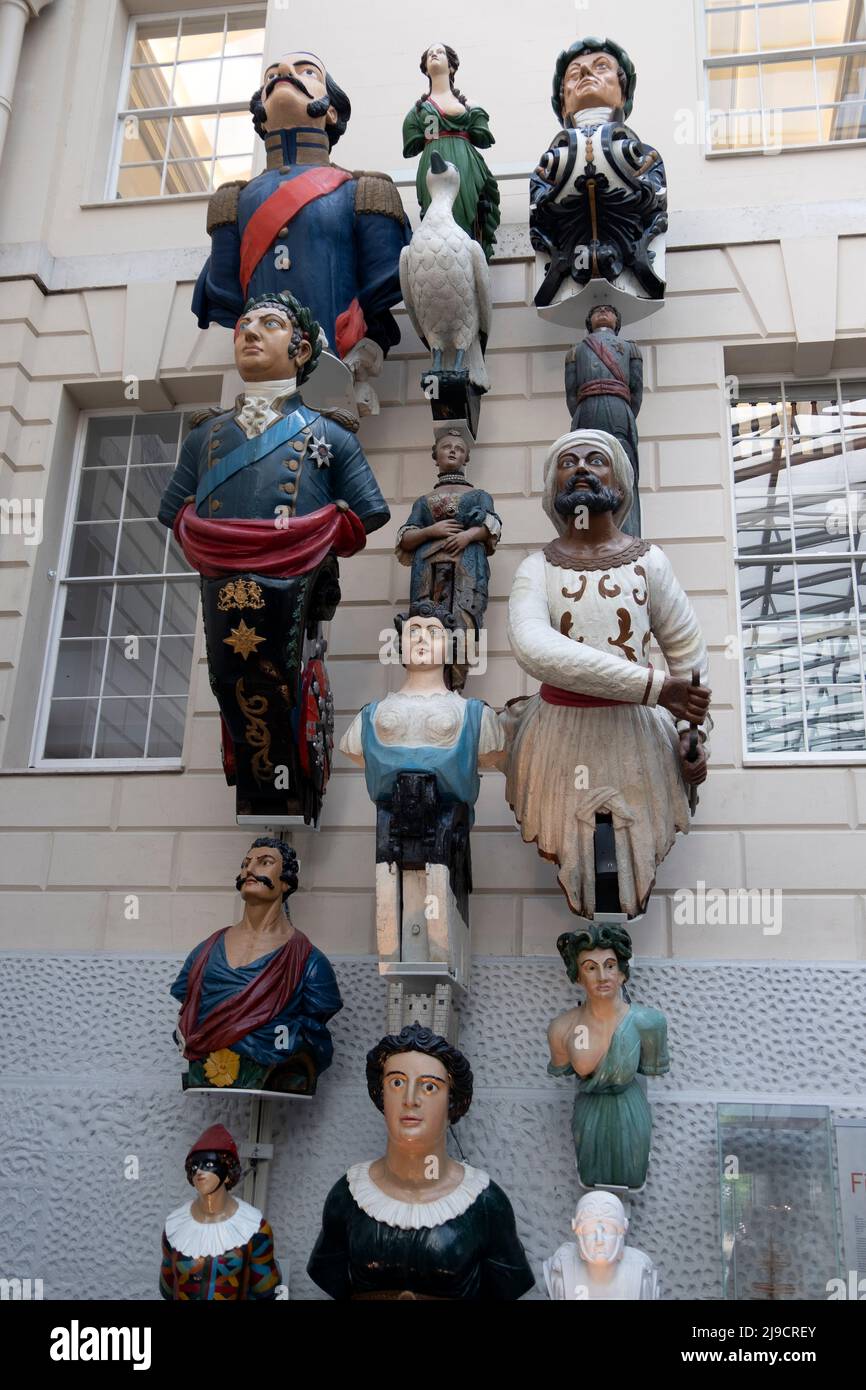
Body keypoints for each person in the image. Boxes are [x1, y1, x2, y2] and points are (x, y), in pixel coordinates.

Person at [158, 291, 389, 819]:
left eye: (270, 324)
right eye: (243, 325)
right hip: (223, 580)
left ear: (302, 348)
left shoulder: (330, 433)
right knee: (231, 678)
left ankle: (290, 776)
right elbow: (174, 509)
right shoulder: (205, 436)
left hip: (295, 581)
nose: (250, 333)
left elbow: (367, 512)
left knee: (282, 678)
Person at [501, 428, 711, 918]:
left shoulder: (649, 562)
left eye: (596, 460)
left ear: (618, 479)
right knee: (574, 851)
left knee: (629, 854)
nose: (581, 469)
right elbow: (535, 649)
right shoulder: (537, 568)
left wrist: (692, 731)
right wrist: (655, 688)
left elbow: (688, 654)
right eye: (567, 462)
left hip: (638, 735)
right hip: (558, 733)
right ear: (553, 485)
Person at [193, 50, 409, 389]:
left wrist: (367, 342)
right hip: (264, 372)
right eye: (271, 76)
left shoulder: (366, 190)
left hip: (334, 363)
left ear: (331, 111)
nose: (283, 72)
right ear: (261, 117)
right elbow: (227, 292)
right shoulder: (231, 201)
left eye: (307, 72)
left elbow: (381, 284)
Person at [307, 1024, 534, 1299]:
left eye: (429, 1087)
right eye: (397, 1083)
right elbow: (331, 1276)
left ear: (452, 1101)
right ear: (381, 1095)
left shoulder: (485, 1206)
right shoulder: (348, 1196)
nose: (410, 1100)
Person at [170, 838, 342, 1094]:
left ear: (286, 881)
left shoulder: (310, 964)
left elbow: (314, 1025)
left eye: (265, 862)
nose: (249, 870)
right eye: (246, 863)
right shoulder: (204, 953)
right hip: (207, 1069)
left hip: (276, 1074)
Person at [547, 925, 669, 1191]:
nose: (602, 976)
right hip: (589, 1117)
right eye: (591, 967)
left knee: (632, 1174)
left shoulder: (649, 1022)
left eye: (610, 965)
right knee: (590, 1177)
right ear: (577, 975)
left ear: (623, 972)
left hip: (631, 1114)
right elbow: (562, 1066)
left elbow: (652, 1066)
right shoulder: (562, 1028)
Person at [395, 430, 500, 687]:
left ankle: (455, 689)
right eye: (446, 447)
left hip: (466, 570)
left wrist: (468, 537)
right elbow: (405, 538)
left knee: (463, 628)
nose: (453, 451)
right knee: (427, 626)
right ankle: (428, 683)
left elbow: (492, 526)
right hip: (429, 574)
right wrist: (431, 531)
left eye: (459, 448)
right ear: (436, 456)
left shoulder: (479, 496)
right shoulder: (423, 502)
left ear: (466, 458)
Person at [402, 42, 500, 261]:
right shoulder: (418, 110)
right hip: (432, 163)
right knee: (437, 216)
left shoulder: (469, 105)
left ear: (452, 67)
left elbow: (483, 136)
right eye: (430, 54)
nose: (435, 55)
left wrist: (473, 111)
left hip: (465, 163)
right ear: (426, 69)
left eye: (440, 52)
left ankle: (470, 261)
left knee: (468, 216)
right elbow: (411, 144)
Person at [159, 1125, 281, 1300]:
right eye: (194, 1166)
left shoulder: (255, 1229)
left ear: (228, 1173)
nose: (199, 1172)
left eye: (209, 1165)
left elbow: (267, 1291)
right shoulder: (174, 1227)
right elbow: (167, 1289)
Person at [565, 304, 643, 535]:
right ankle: (588, 528)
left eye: (608, 311)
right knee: (586, 461)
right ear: (589, 321)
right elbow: (571, 393)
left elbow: (636, 391)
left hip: (619, 408)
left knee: (622, 466)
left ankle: (627, 529)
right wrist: (585, 410)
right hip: (587, 408)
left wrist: (623, 411)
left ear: (617, 322)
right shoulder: (575, 351)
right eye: (597, 311)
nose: (602, 313)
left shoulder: (631, 349)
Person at [544, 1189, 660, 1300]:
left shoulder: (640, 1271)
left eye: (608, 1231)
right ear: (579, 1234)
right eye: (590, 1231)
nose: (599, 1240)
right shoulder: (563, 1270)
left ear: (621, 1231)